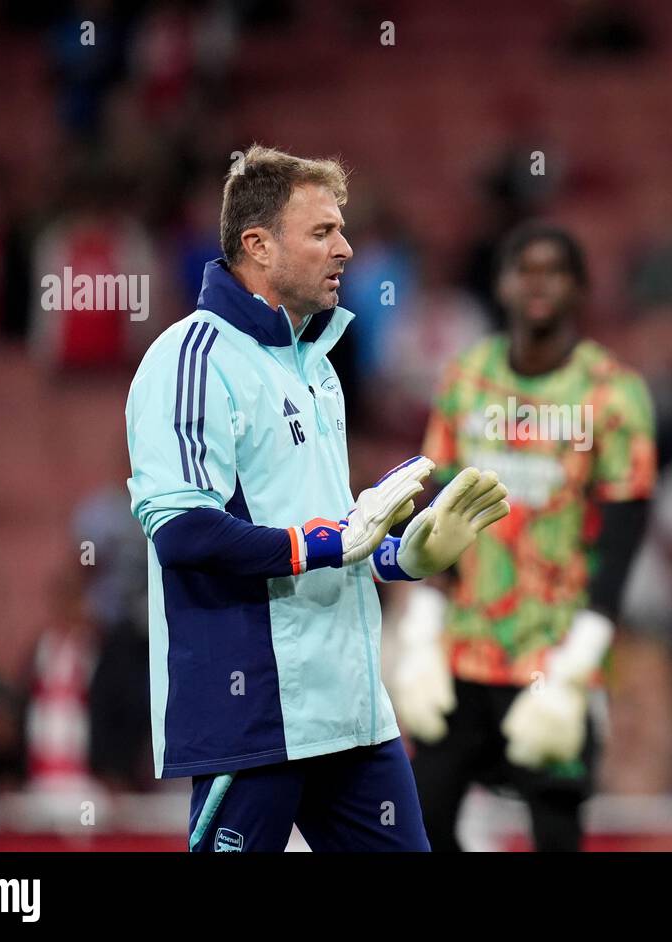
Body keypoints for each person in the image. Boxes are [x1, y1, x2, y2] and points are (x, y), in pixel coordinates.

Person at [124, 144, 510, 852]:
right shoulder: (190, 357)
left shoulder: (318, 365)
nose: (347, 248)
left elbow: (336, 531)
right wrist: (331, 542)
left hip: (354, 710)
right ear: (257, 245)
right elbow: (181, 532)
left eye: (343, 229)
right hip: (254, 714)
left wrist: (401, 555)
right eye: (323, 232)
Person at [393, 223, 656, 851]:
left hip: (554, 654)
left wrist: (575, 672)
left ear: (582, 289)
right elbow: (437, 515)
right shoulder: (466, 379)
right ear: (501, 284)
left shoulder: (613, 395)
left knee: (556, 828)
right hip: (463, 651)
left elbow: (621, 546)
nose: (537, 283)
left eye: (554, 270)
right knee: (422, 821)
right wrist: (421, 638)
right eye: (523, 269)